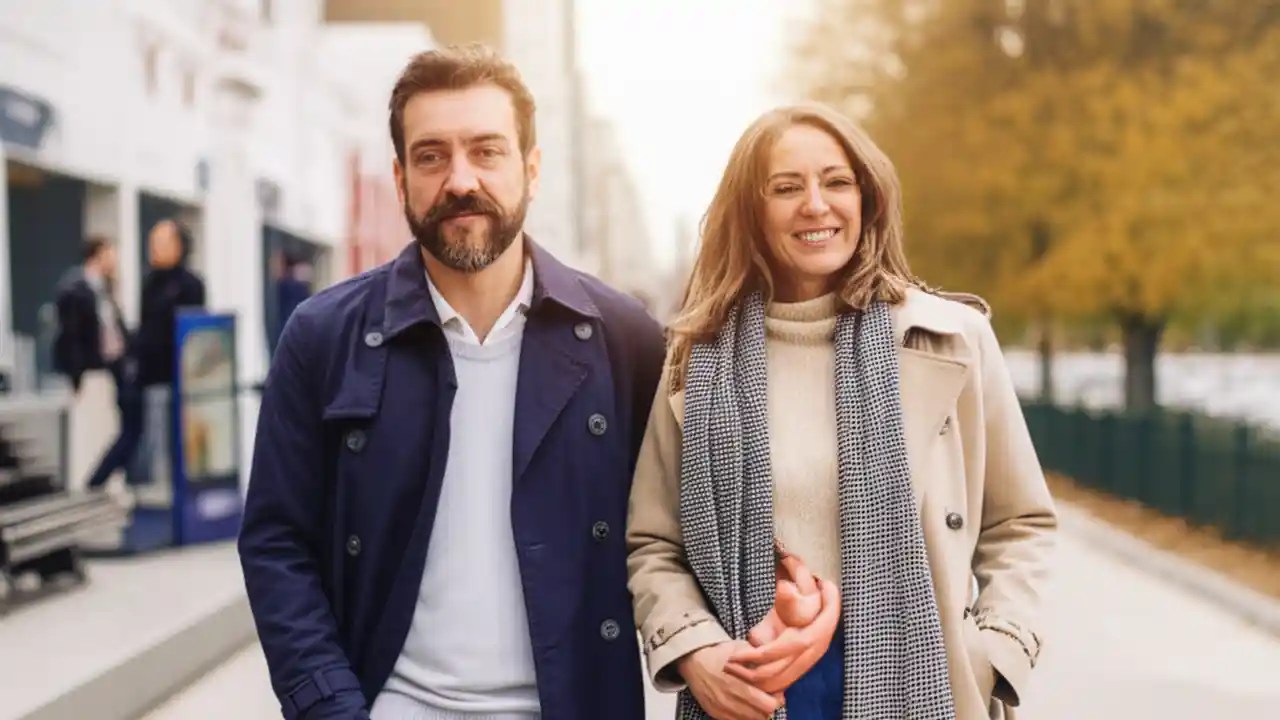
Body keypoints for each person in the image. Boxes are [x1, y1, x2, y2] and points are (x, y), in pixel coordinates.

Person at [238, 44, 664, 720]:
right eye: (433, 156)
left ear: (531, 168)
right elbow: (276, 541)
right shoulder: (322, 338)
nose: (460, 179)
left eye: (486, 151)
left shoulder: (624, 338)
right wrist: (329, 706)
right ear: (402, 176)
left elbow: (668, 537)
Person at [626, 103, 1057, 720]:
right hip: (752, 684)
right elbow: (654, 543)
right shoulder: (697, 359)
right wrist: (696, 654)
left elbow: (1021, 523)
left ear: (867, 198)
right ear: (751, 210)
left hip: (925, 680)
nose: (816, 205)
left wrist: (993, 649)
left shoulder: (950, 338)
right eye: (785, 187)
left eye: (836, 182)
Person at [54, 237, 136, 490]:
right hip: (91, 373)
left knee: (122, 427)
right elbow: (72, 336)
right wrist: (76, 375)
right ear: (97, 255)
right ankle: (92, 482)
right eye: (110, 254)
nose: (115, 261)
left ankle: (104, 480)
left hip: (113, 370)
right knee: (95, 431)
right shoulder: (75, 289)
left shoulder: (106, 289)